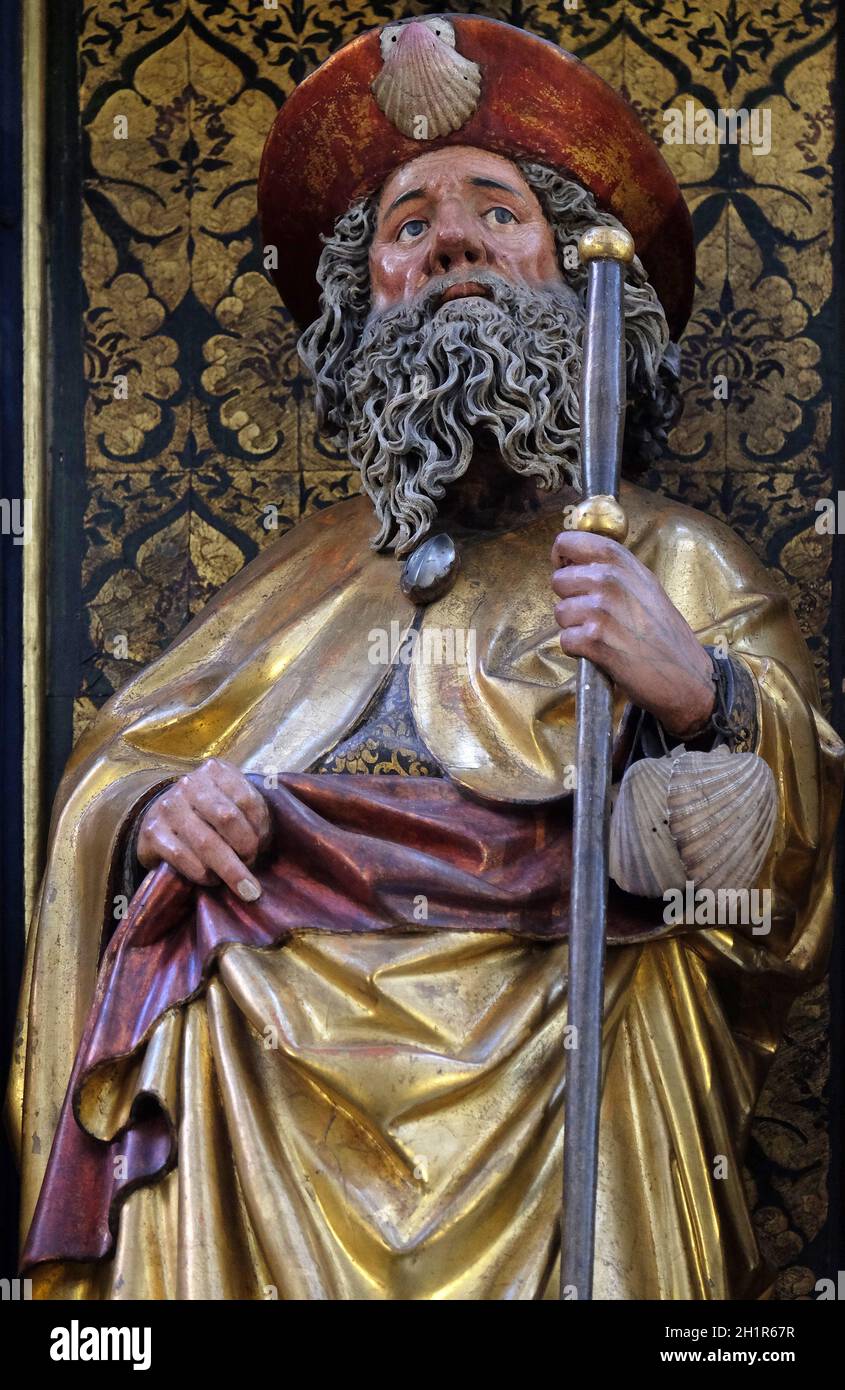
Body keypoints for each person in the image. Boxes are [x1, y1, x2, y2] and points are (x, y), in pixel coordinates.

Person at [9, 16, 842, 1300]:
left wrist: (699, 689)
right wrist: (158, 814)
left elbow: (793, 886)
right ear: (365, 302)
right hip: (259, 1139)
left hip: (577, 1098)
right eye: (407, 225)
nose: (449, 237)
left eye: (495, 211)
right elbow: (113, 777)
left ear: (573, 276)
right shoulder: (302, 573)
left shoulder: (675, 559)